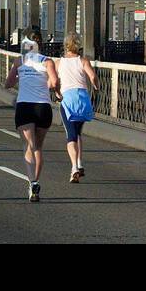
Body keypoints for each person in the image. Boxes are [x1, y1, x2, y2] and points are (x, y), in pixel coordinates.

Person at [5, 29, 58, 202]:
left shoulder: (19, 61)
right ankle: (35, 181)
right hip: (43, 107)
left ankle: (32, 182)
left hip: (25, 106)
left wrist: (21, 77)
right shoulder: (47, 61)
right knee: (38, 148)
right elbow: (54, 82)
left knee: (28, 146)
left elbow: (8, 83)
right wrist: (54, 89)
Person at [57, 31, 98, 182]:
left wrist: (55, 92)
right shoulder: (83, 61)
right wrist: (96, 86)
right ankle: (80, 163)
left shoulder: (59, 62)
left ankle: (74, 167)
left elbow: (53, 81)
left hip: (68, 99)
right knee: (78, 132)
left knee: (71, 135)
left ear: (65, 46)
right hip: (82, 99)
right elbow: (92, 76)